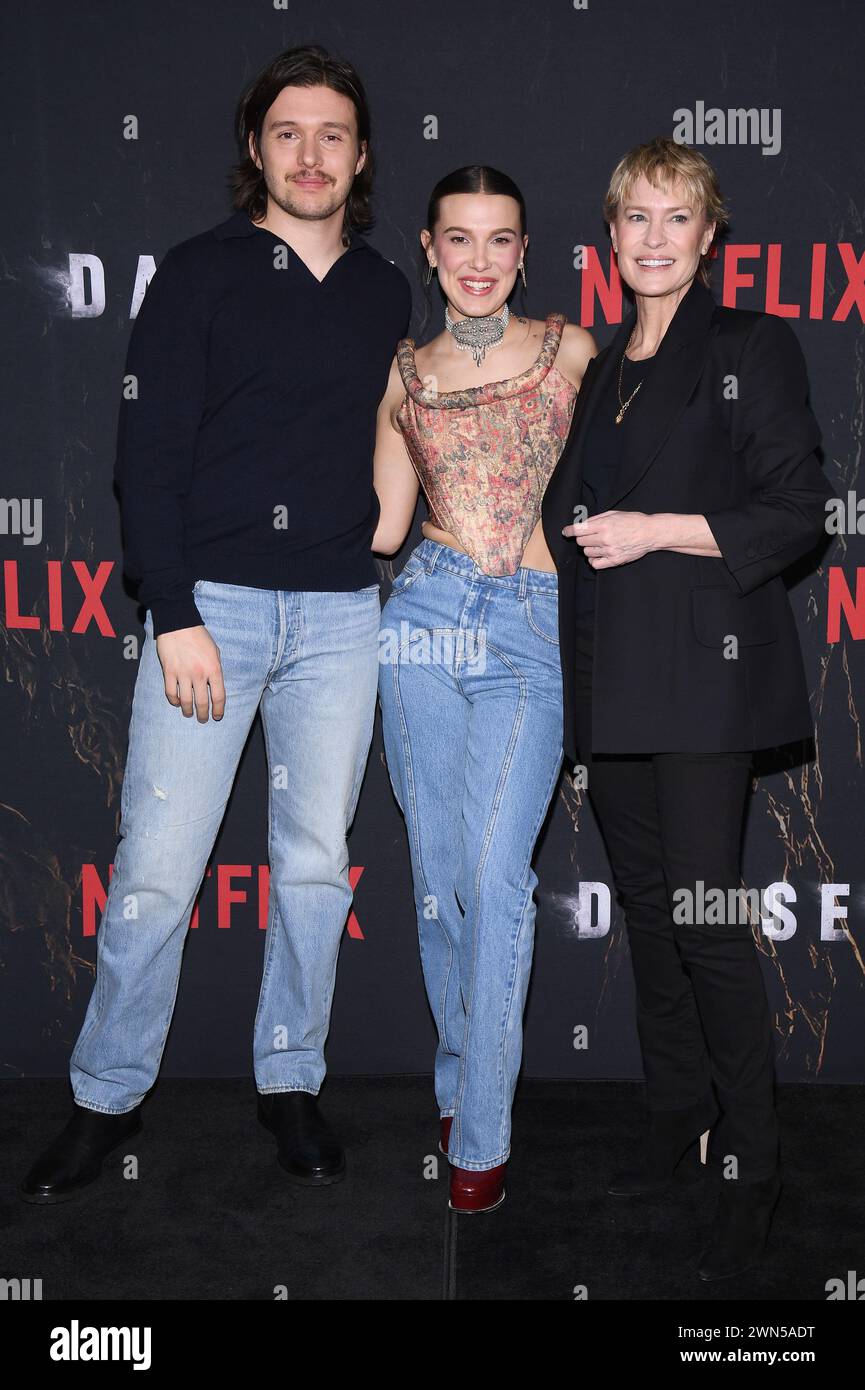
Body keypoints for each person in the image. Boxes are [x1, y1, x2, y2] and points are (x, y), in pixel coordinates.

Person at [20, 45, 412, 1203]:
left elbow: (394, 424)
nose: (310, 153)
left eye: (332, 134)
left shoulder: (387, 287)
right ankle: (107, 1096)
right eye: (288, 132)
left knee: (307, 869)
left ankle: (290, 1080)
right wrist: (175, 608)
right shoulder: (197, 273)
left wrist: (386, 530)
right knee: (153, 870)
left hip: (342, 617)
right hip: (214, 615)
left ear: (361, 155)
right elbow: (147, 453)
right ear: (256, 148)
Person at [540, 136, 832, 1277]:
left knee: (707, 922)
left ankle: (752, 1163)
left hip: (703, 690)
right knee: (655, 925)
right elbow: (567, 531)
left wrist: (655, 531)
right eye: (635, 220)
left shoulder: (750, 345)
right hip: (613, 691)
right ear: (609, 239)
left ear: (708, 238)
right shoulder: (605, 371)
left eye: (677, 220)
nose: (654, 239)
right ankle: (680, 1118)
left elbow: (795, 508)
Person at [372, 166, 596, 1213]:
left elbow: (631, 472)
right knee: (440, 874)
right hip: (418, 618)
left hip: (528, 627)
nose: (475, 259)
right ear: (428, 247)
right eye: (456, 239)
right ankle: (462, 1079)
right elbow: (379, 526)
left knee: (500, 875)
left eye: (497, 239)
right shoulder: (401, 374)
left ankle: (481, 1131)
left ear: (522, 252)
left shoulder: (571, 351)